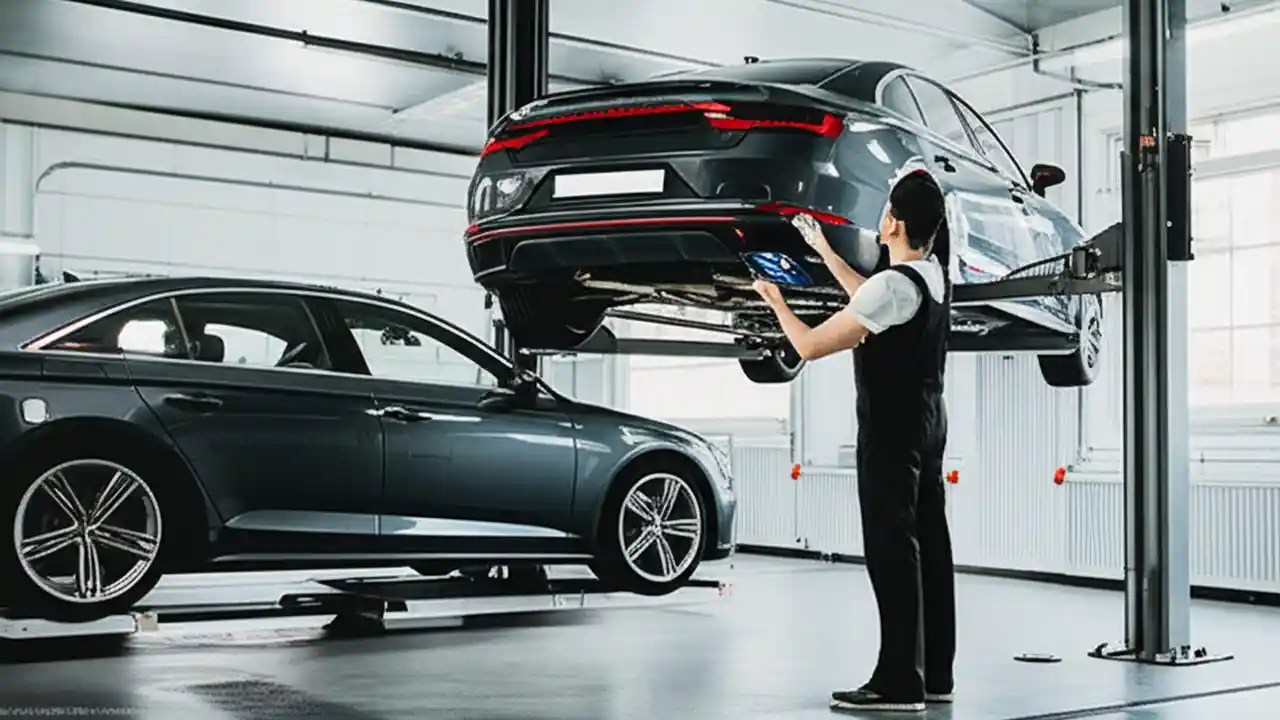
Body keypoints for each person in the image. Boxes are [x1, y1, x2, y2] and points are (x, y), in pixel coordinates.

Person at [751, 171, 957, 713]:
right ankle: (935, 674)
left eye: (886, 209)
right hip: (929, 423)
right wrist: (822, 249)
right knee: (930, 543)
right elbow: (868, 299)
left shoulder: (891, 287)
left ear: (893, 223)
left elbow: (809, 345)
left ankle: (898, 683)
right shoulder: (930, 277)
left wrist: (775, 300)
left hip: (891, 431)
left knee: (891, 550)